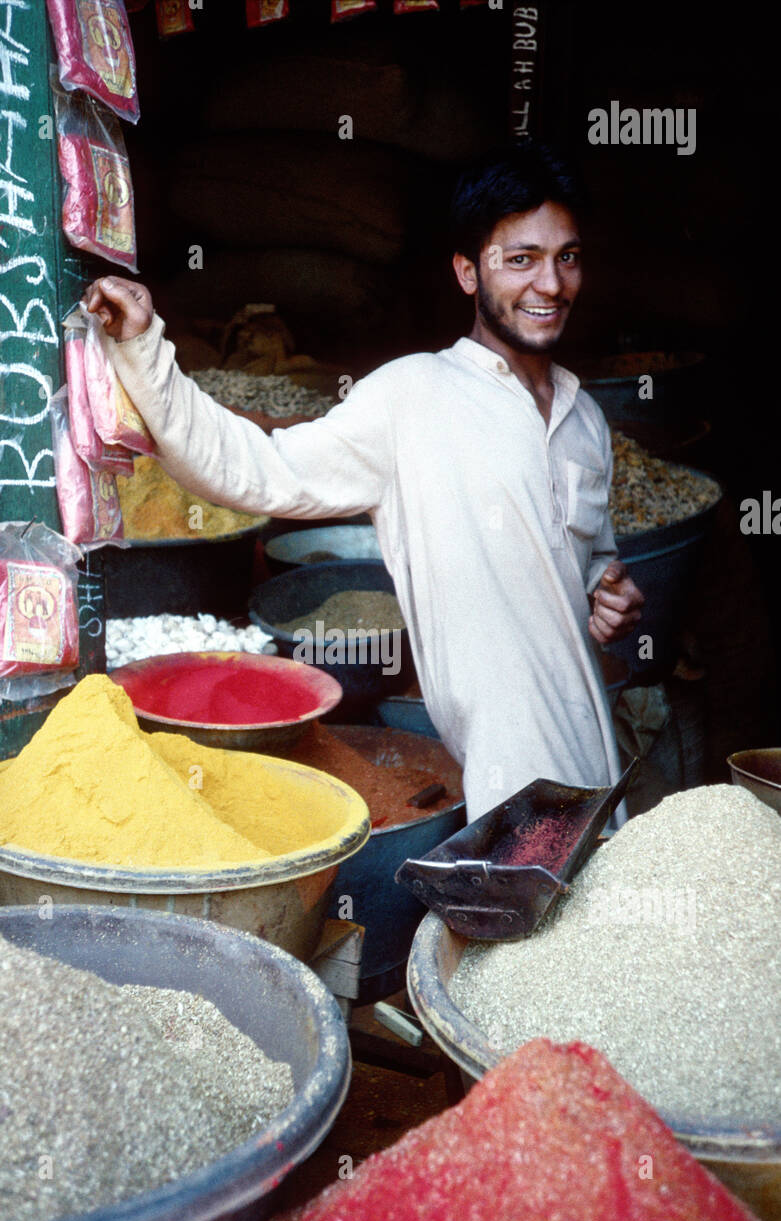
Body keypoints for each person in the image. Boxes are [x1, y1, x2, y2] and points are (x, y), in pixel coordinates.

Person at [85, 143, 643, 823]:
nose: (549, 285)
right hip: (512, 788)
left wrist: (606, 594)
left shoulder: (584, 417)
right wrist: (145, 352)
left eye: (567, 257)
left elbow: (591, 564)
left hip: (601, 771)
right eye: (519, 260)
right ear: (468, 273)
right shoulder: (414, 398)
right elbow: (257, 469)